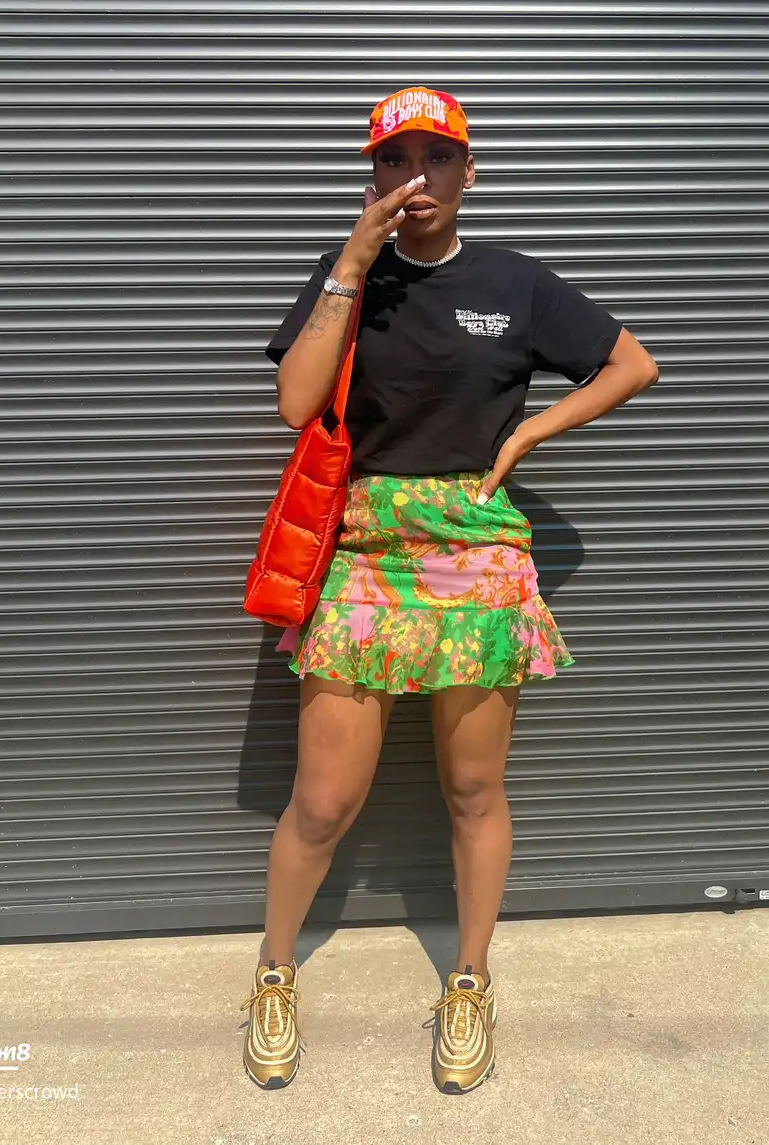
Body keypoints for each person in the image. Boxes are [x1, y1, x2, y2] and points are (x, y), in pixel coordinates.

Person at [241, 86, 659, 1094]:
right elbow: (298, 401)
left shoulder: (516, 283)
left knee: (473, 788)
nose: (412, 178)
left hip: (476, 554)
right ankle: (272, 972)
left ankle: (470, 981)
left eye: (434, 159)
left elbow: (633, 365)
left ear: (470, 173)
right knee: (323, 800)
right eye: (392, 161)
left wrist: (527, 434)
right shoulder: (352, 277)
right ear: (372, 174)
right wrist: (348, 263)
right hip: (368, 550)